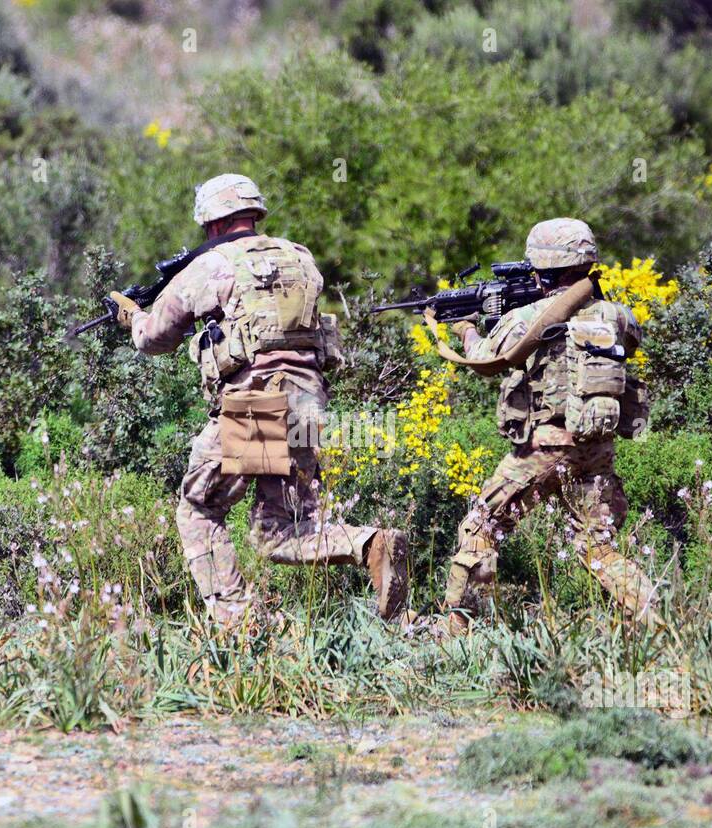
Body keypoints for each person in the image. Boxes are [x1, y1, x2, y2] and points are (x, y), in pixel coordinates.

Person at [110, 174, 408, 627]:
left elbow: (155, 338)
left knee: (200, 510)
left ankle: (236, 624)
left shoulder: (210, 266)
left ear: (210, 222)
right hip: (307, 402)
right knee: (280, 530)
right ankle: (367, 544)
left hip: (257, 405)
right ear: (254, 212)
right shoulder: (300, 257)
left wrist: (132, 317)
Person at [439, 218, 657, 631]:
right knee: (598, 549)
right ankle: (657, 623)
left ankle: (460, 632)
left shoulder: (530, 317)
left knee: (481, 526)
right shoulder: (616, 315)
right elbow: (630, 337)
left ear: (540, 270)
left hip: (545, 446)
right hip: (596, 448)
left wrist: (466, 328)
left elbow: (485, 359)